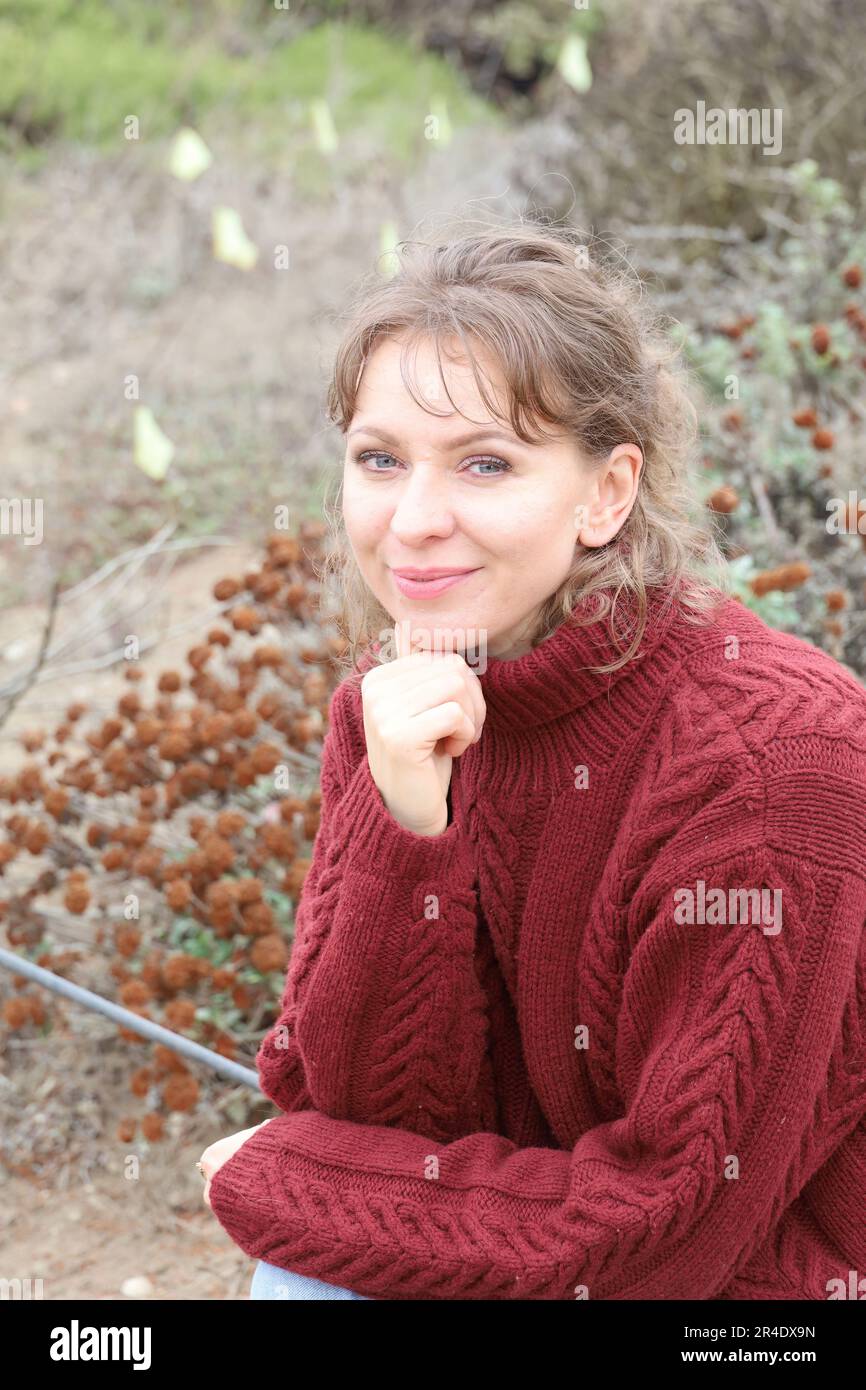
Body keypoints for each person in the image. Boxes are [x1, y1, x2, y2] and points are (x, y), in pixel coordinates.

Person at [200, 221, 866, 1300]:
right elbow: (359, 1114)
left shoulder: (774, 767)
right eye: (379, 460)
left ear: (605, 494)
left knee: (307, 1261)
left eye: (485, 463)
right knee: (309, 1280)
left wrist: (292, 1186)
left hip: (757, 1300)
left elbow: (667, 1235)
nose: (413, 521)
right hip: (551, 1255)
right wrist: (405, 829)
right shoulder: (404, 702)